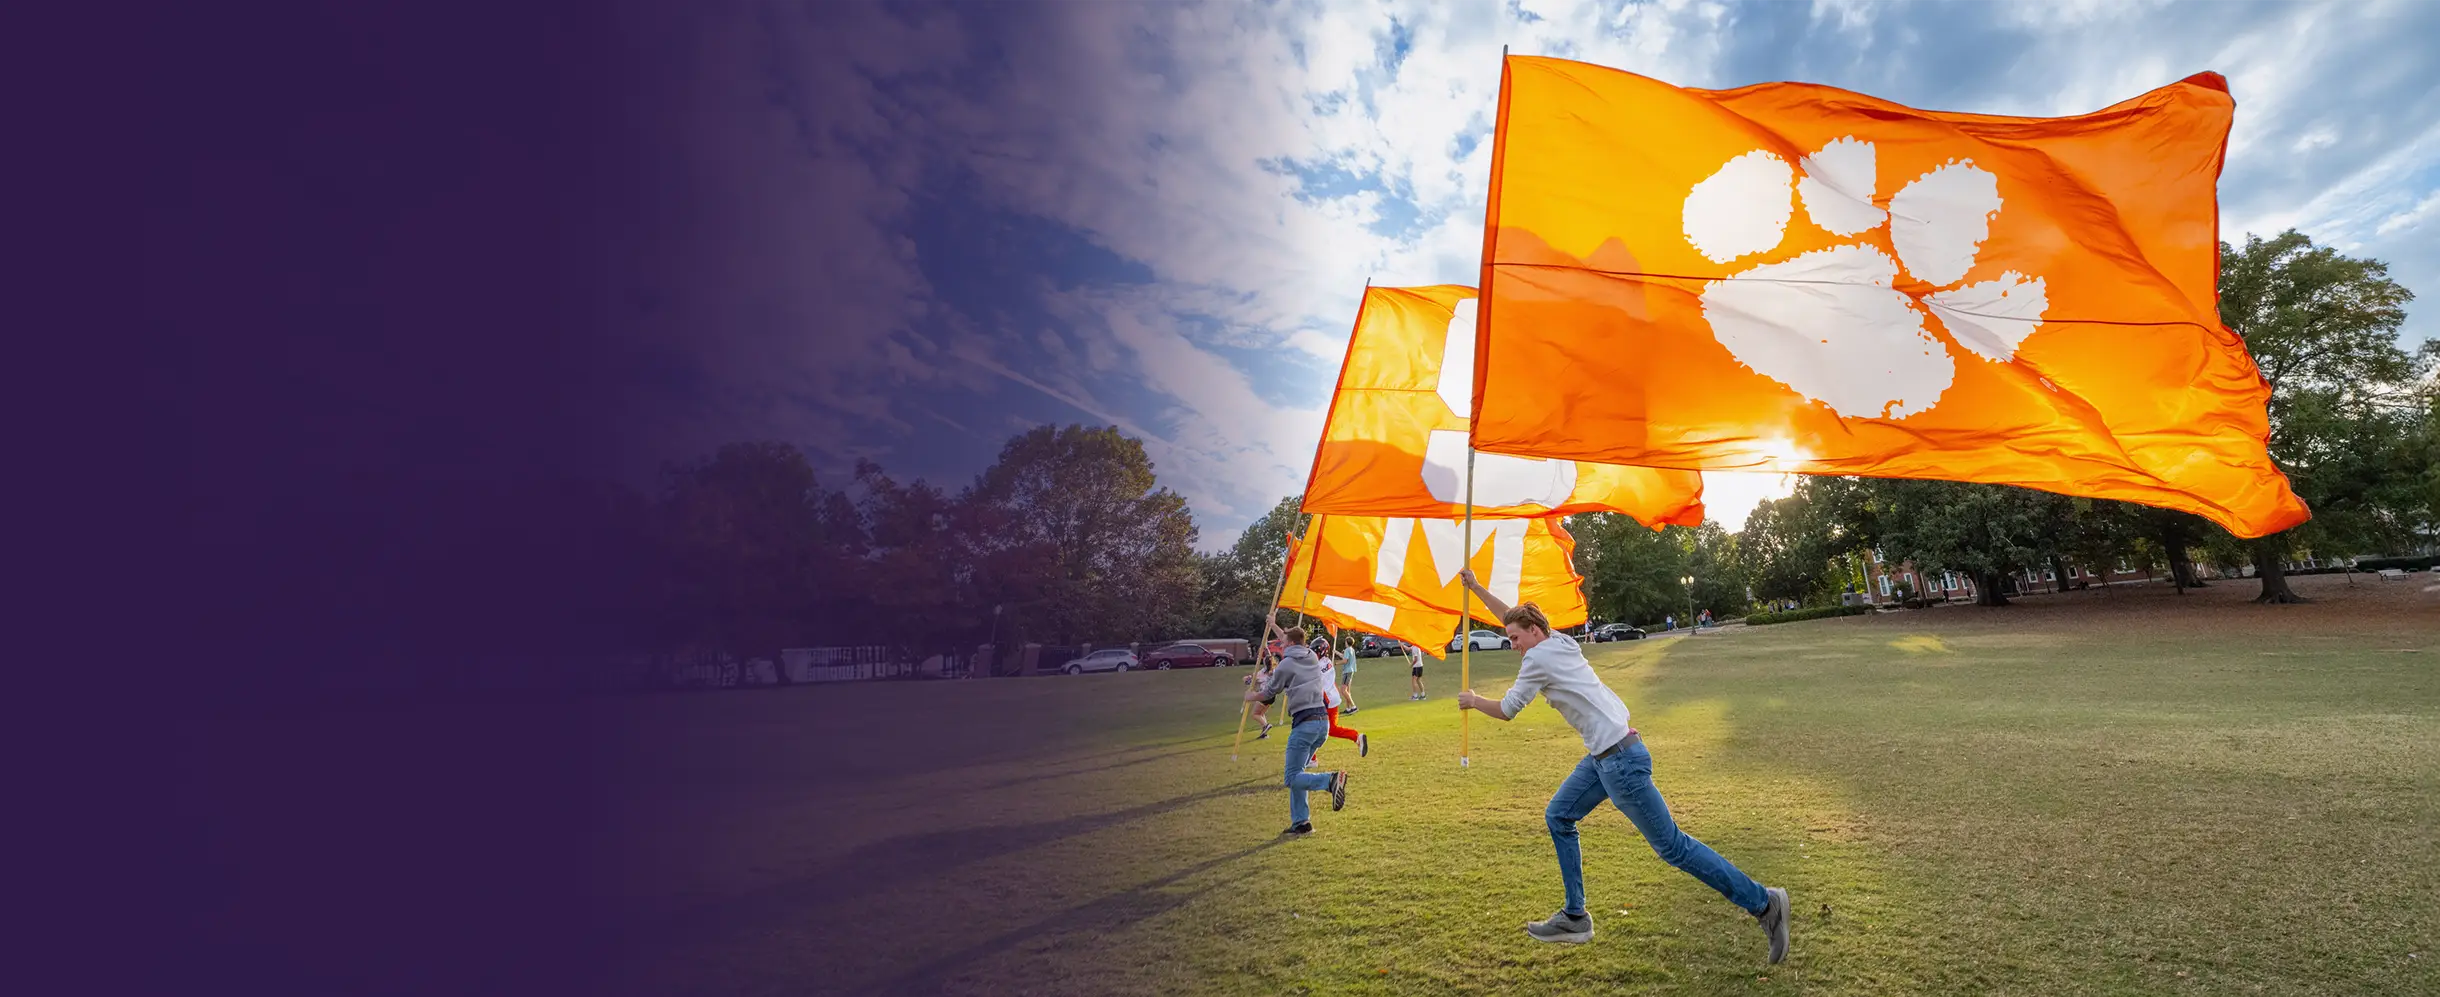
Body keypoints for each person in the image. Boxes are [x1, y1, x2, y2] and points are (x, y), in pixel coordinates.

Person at [1452, 568, 1789, 963]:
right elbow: (1511, 614)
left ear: (1533, 631)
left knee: (1674, 847)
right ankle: (1575, 916)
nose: (1512, 645)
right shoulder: (1558, 640)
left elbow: (1509, 710)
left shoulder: (1536, 659)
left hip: (1619, 763)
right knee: (1559, 815)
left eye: (1514, 638)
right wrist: (1475, 589)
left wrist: (1474, 701)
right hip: (1607, 755)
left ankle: (1764, 903)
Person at [1243, 614, 1347, 835]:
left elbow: (1270, 692)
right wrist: (1273, 625)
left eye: (1282, 642)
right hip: (1322, 723)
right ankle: (1301, 823)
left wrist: (1250, 696)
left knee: (1291, 777)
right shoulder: (1310, 655)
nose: (1280, 644)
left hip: (1304, 724)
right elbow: (1290, 639)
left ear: (1289, 644)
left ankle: (1330, 780)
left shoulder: (1285, 665)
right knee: (1298, 773)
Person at [1335, 638, 1361, 714]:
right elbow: (1344, 657)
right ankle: (1348, 708)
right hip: (1351, 670)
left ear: (1346, 642)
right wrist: (1336, 652)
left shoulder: (1347, 650)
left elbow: (1345, 660)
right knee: (1347, 691)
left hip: (1347, 671)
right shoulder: (1351, 649)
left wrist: (1336, 663)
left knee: (1343, 690)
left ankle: (1353, 707)